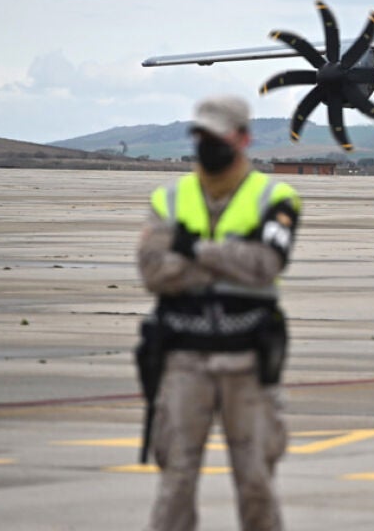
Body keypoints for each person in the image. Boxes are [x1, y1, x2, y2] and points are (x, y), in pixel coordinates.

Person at [136, 95, 301, 531]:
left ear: (243, 137)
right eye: (201, 136)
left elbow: (265, 265)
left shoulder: (274, 197)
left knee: (256, 484)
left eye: (217, 136)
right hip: (182, 359)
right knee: (175, 484)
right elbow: (154, 272)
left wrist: (192, 250)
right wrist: (229, 256)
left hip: (246, 360)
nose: (207, 145)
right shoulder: (169, 198)